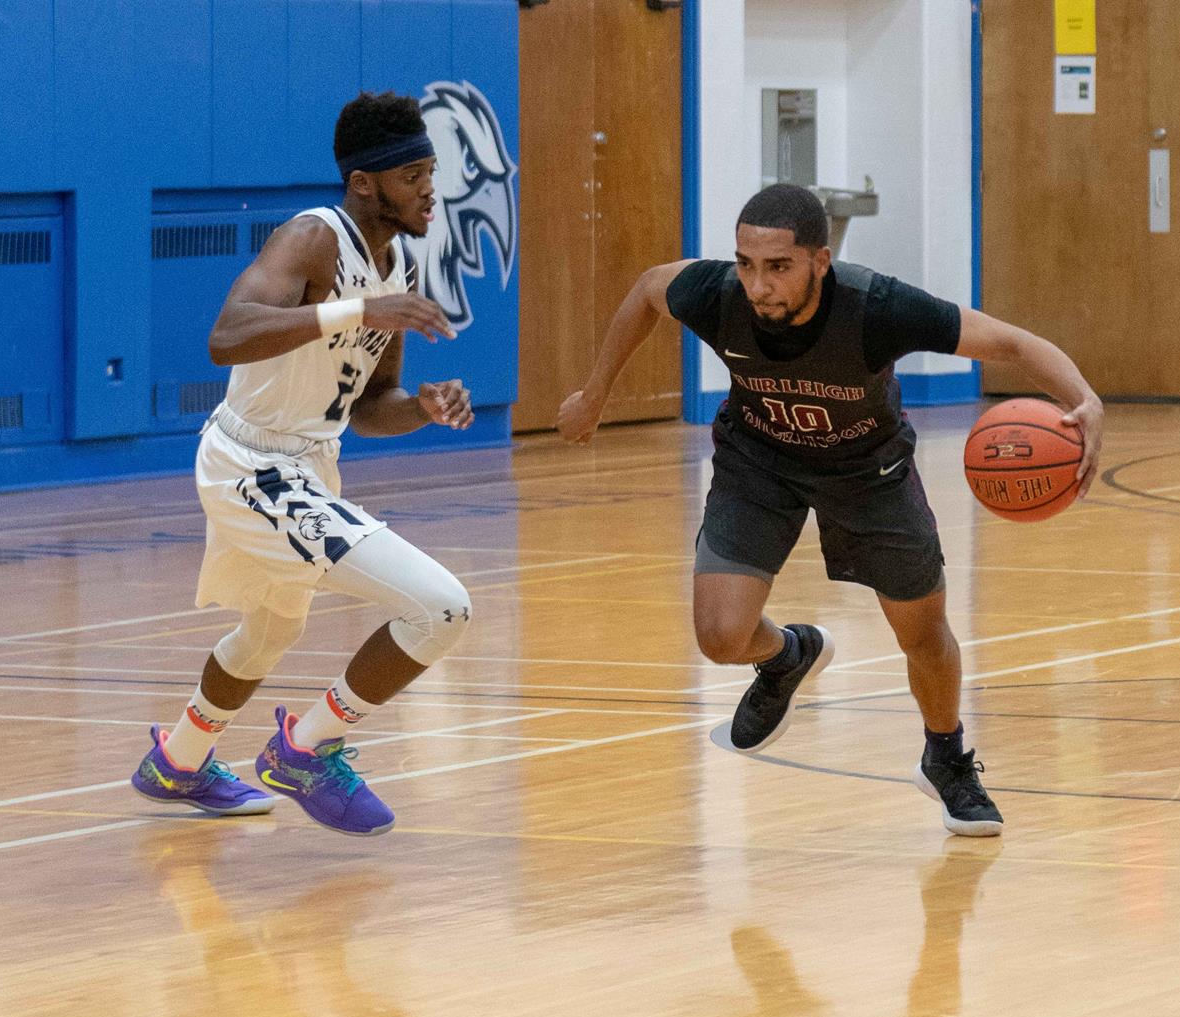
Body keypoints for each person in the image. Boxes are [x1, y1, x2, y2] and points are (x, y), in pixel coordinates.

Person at [556, 183, 1104, 836]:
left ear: (821, 260)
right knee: (720, 634)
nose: (758, 286)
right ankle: (787, 655)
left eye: (778, 267)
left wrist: (1084, 397)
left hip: (866, 471)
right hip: (758, 463)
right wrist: (595, 393)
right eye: (746, 264)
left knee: (922, 635)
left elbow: (1009, 341)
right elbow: (649, 288)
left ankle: (946, 755)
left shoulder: (877, 308)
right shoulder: (719, 296)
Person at [130, 91, 476, 836]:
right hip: (251, 466)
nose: (429, 189)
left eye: (431, 171)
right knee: (442, 606)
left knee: (267, 635)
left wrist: (423, 407)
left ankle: (179, 761)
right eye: (413, 174)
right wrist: (359, 312)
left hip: (311, 464)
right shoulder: (315, 236)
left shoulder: (397, 268)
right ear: (364, 183)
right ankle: (305, 748)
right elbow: (227, 336)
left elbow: (371, 403)